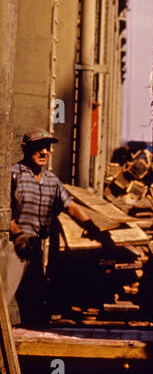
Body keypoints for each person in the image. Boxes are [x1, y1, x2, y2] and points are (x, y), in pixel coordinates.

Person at [7, 130, 103, 325]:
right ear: (24, 149)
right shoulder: (13, 175)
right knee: (4, 295)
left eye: (47, 147)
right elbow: (2, 210)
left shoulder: (52, 181)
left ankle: (29, 344)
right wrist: (17, 234)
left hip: (35, 249)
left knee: (34, 299)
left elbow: (70, 206)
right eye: (38, 147)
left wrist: (92, 227)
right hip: (11, 247)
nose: (44, 152)